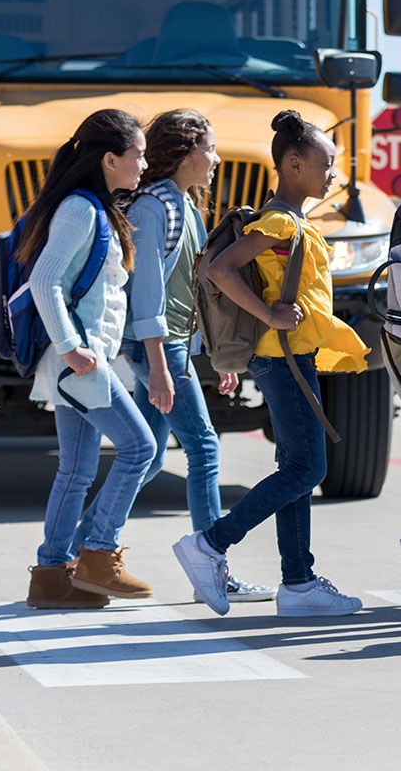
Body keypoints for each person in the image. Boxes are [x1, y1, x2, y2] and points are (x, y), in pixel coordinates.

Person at [172, 111, 370, 618]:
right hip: (282, 361)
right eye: (325, 164)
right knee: (309, 467)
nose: (332, 174)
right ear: (293, 163)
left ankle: (299, 583)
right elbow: (219, 269)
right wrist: (269, 314)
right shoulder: (280, 220)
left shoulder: (295, 220)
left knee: (296, 468)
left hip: (291, 358)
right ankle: (211, 544)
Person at [68, 110, 270, 603]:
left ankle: (74, 554)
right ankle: (211, 568)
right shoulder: (154, 208)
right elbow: (149, 296)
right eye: (209, 150)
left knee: (153, 456)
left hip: (172, 347)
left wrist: (215, 357)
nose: (217, 159)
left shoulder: (184, 206)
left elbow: (195, 294)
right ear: (183, 153)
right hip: (155, 347)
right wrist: (161, 367)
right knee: (203, 449)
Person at [23, 109, 157, 609]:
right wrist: (71, 347)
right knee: (139, 449)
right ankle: (99, 553)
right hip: (80, 363)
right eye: (138, 155)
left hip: (78, 364)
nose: (144, 163)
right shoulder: (81, 210)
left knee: (76, 471)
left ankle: (53, 575)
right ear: (109, 159)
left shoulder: (94, 209)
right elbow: (44, 280)